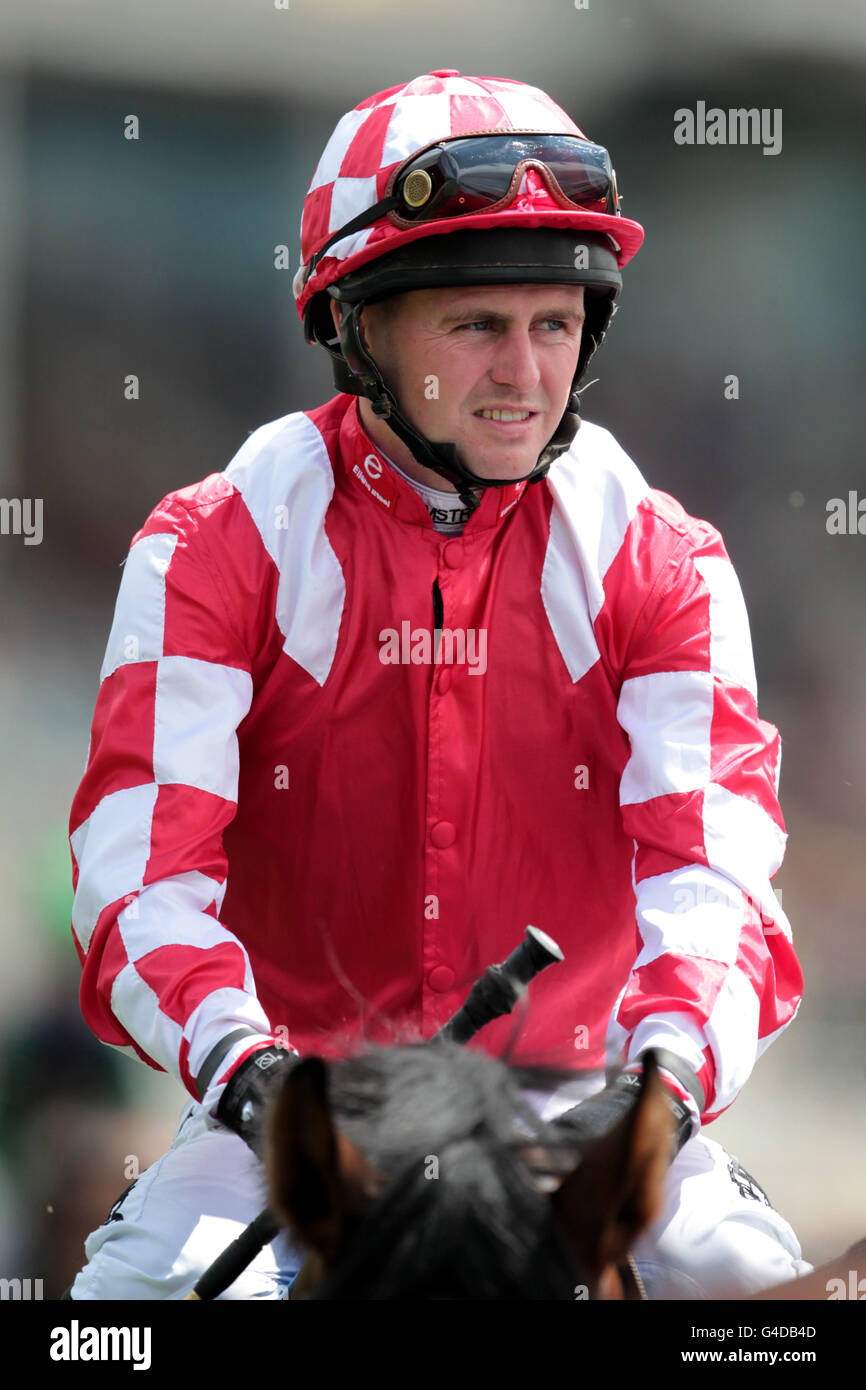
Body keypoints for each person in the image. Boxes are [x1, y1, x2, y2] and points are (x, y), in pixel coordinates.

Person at [65, 69, 809, 1299]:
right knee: (123, 1314)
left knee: (756, 1298)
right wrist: (252, 1074)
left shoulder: (662, 560)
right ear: (356, 326)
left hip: (578, 1096)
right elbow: (136, 876)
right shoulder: (211, 545)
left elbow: (712, 874)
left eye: (555, 324)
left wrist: (662, 1081)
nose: (524, 371)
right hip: (299, 1108)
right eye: (476, 325)